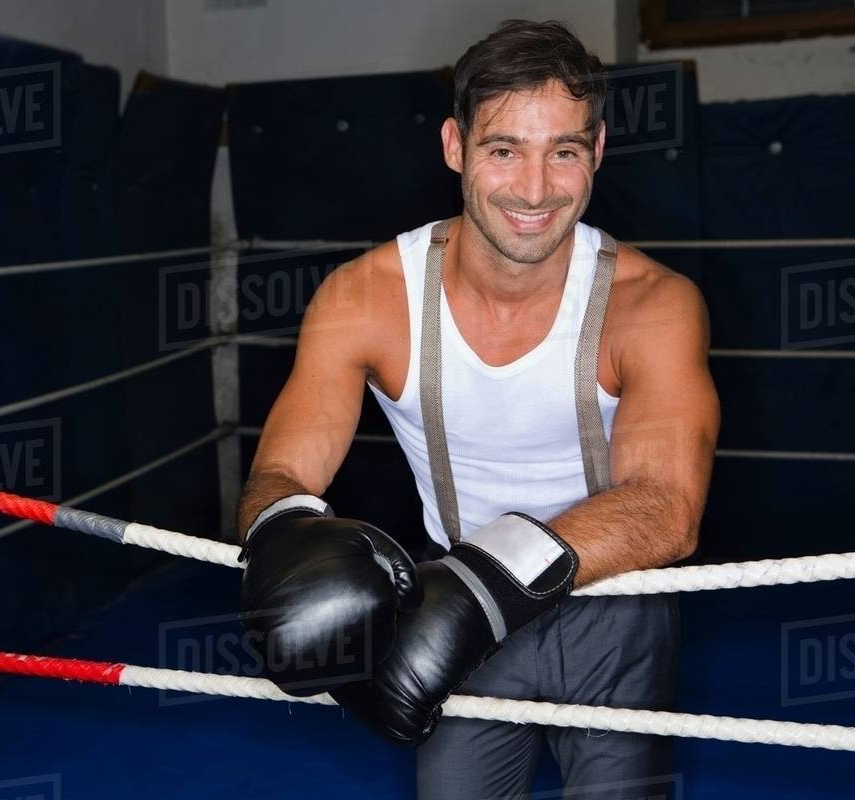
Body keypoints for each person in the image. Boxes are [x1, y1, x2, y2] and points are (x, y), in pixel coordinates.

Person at [236, 19, 721, 799]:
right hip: (451, 610)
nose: (534, 190)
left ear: (595, 153)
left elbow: (668, 509)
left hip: (612, 609)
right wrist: (282, 537)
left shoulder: (652, 304)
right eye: (504, 150)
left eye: (562, 151)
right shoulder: (367, 298)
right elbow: (283, 467)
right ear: (455, 147)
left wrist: (477, 586)